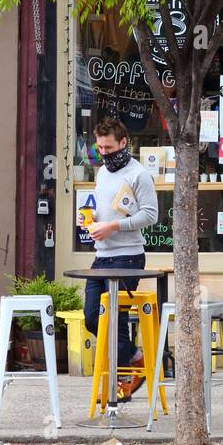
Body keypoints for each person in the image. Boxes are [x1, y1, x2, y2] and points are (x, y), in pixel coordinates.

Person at [81, 118, 159, 401]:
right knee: (93, 318)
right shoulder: (102, 172)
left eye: (109, 147)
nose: (104, 152)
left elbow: (151, 215)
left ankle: (120, 384)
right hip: (101, 255)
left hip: (128, 256)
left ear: (124, 143)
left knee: (116, 316)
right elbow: (106, 211)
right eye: (100, 147)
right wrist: (91, 220)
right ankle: (135, 357)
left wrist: (113, 227)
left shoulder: (139, 174)